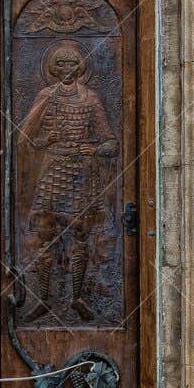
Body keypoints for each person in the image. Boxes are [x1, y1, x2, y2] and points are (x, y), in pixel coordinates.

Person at [21, 41, 117, 322]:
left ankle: (76, 297)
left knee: (80, 238)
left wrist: (97, 149)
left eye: (72, 64)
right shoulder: (46, 96)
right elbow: (25, 137)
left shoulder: (90, 99)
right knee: (44, 237)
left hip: (81, 175)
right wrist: (42, 141)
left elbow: (111, 141)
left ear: (81, 67)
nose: (66, 69)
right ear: (52, 68)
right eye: (60, 64)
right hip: (52, 173)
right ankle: (44, 299)